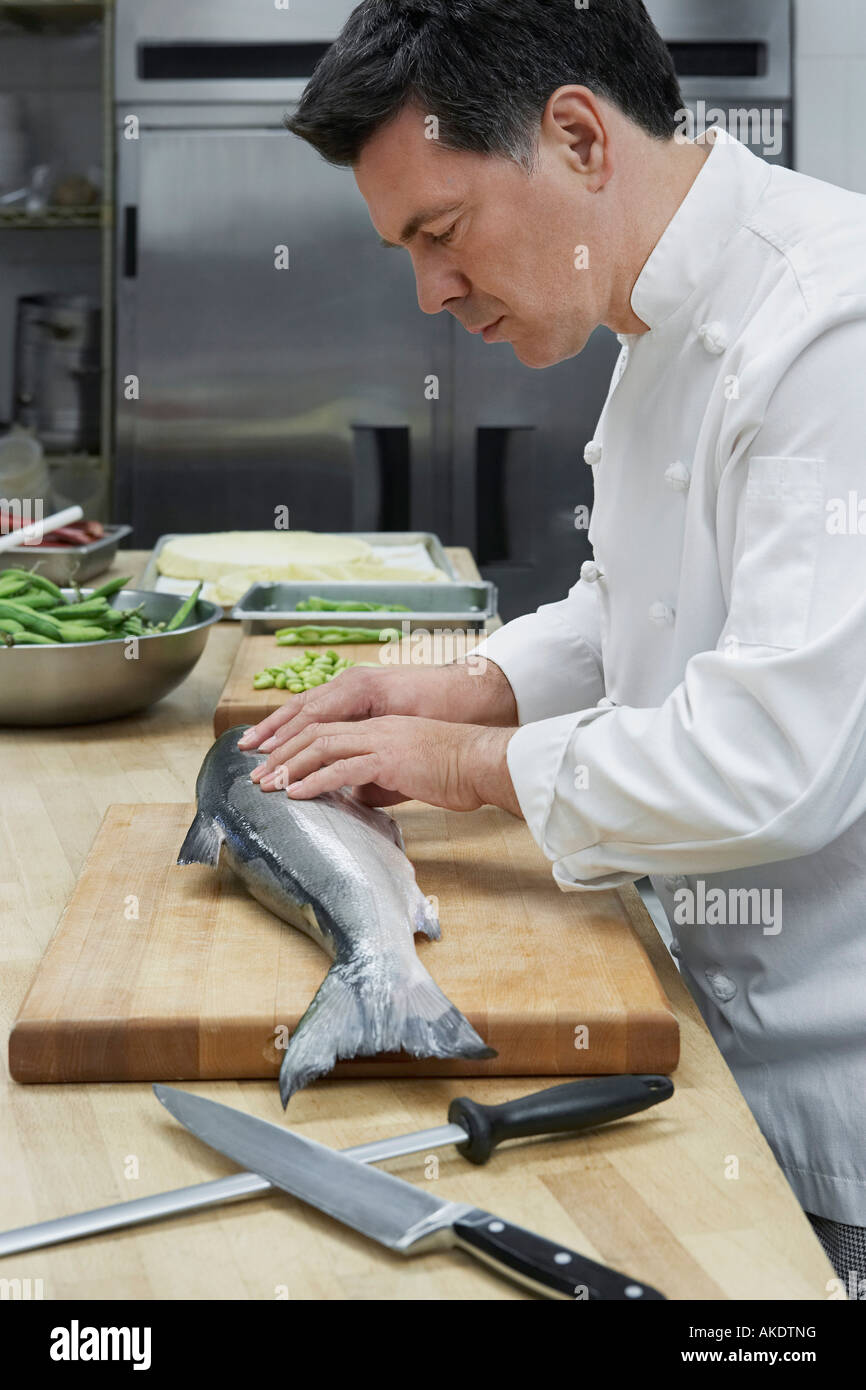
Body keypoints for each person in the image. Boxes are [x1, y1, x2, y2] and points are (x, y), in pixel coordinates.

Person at [238, 0, 866, 1293]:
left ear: (576, 137)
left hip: (839, 1125)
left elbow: (771, 759)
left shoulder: (829, 328)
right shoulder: (650, 323)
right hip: (707, 1058)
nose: (429, 294)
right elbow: (628, 604)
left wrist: (465, 763)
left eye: (441, 232)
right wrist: (445, 684)